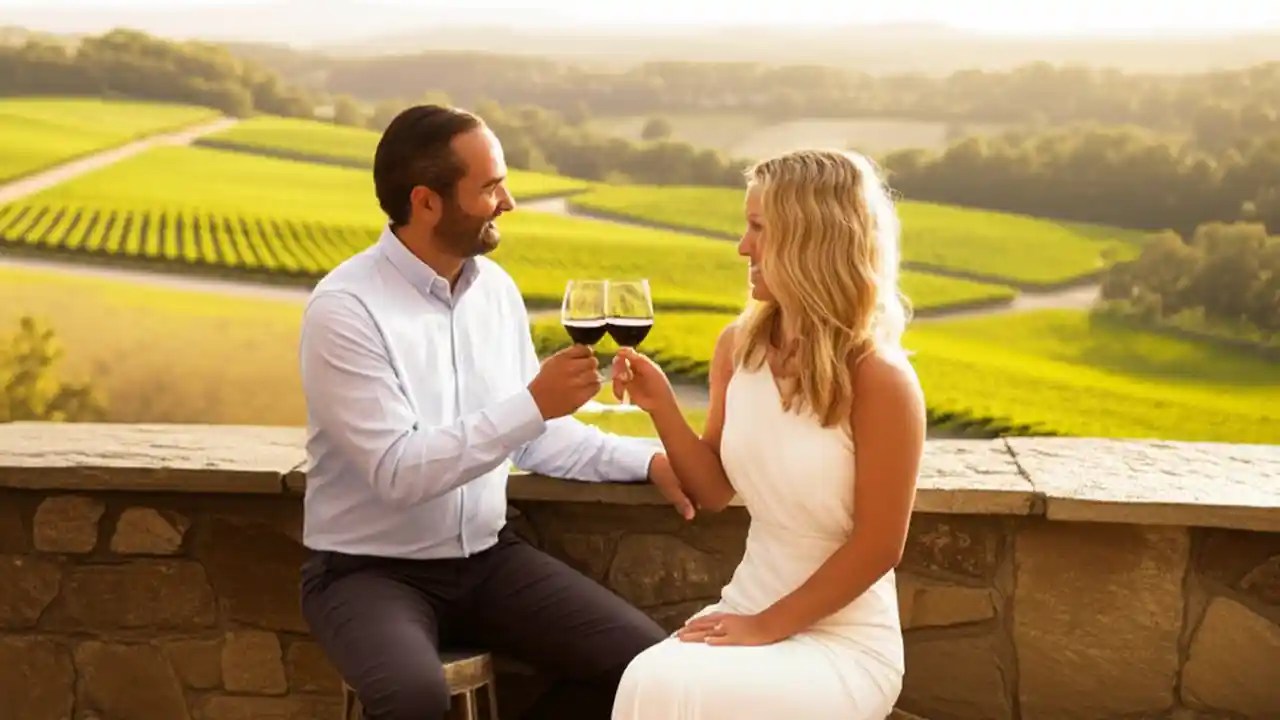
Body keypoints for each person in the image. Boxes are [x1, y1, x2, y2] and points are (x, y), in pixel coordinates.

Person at [296, 104, 694, 720]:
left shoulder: (496, 293)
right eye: (490, 187)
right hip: (368, 573)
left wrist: (649, 462)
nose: (507, 202)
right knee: (413, 700)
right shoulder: (346, 309)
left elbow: (534, 440)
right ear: (426, 202)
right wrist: (533, 402)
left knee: (646, 671)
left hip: (488, 560)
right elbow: (398, 472)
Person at [608, 148, 925, 719]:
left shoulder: (880, 378)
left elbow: (880, 546)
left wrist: (767, 626)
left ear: (811, 240)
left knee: (686, 694)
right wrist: (660, 405)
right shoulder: (740, 346)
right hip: (749, 602)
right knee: (648, 678)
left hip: (844, 637)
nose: (742, 246)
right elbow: (713, 491)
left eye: (758, 227)